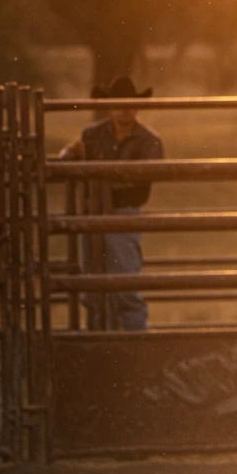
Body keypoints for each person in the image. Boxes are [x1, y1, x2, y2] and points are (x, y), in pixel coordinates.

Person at [59, 75, 164, 330]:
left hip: (122, 214)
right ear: (109, 105)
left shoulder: (148, 140)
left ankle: (133, 343)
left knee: (125, 286)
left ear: (137, 106)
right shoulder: (93, 134)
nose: (124, 109)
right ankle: (99, 340)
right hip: (94, 215)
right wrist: (66, 157)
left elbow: (146, 180)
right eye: (118, 103)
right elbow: (71, 153)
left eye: (129, 103)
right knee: (93, 289)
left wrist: (99, 179)